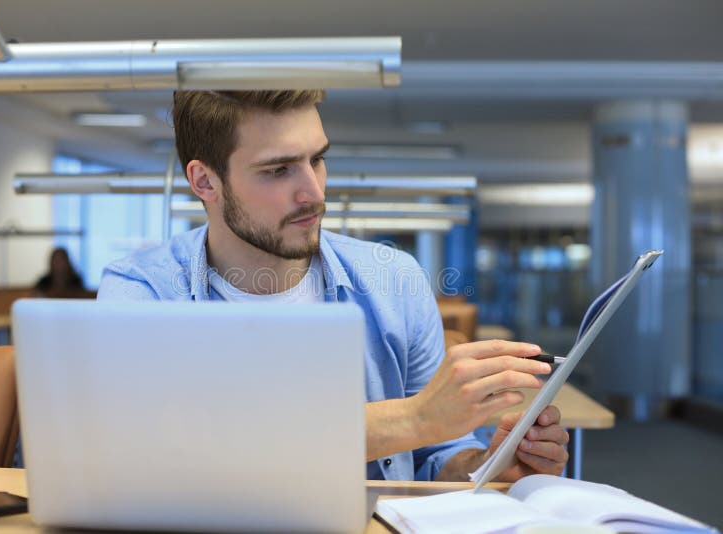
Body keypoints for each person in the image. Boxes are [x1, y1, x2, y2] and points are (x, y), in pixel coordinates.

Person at [98, 90, 569, 482]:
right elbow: (148, 447)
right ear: (205, 182)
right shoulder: (142, 290)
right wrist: (412, 419)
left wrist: (488, 465)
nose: (314, 192)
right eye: (278, 170)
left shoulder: (394, 281)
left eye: (317, 160)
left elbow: (433, 458)